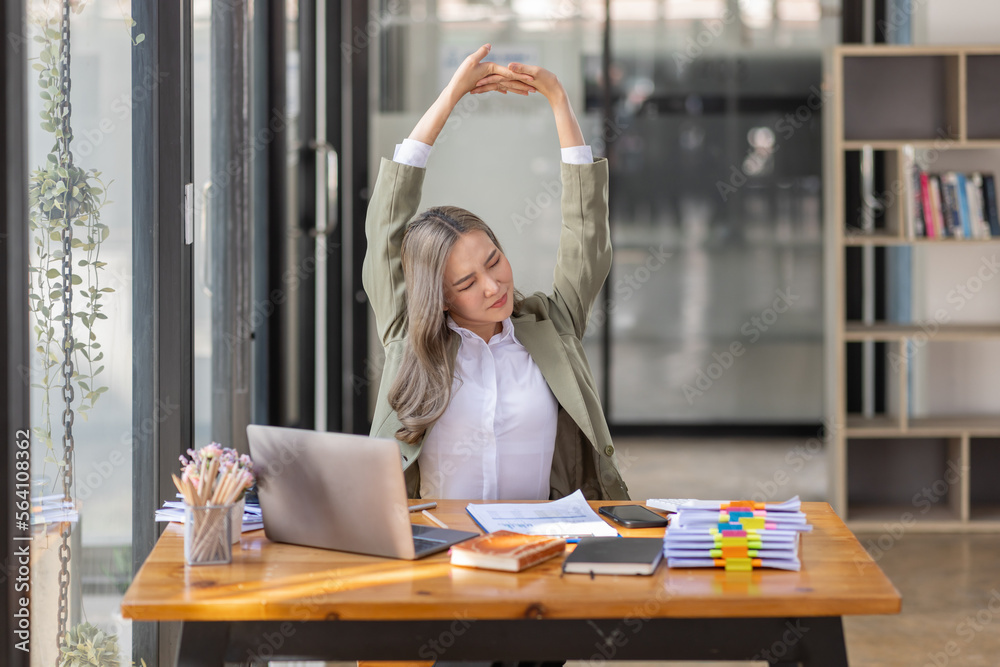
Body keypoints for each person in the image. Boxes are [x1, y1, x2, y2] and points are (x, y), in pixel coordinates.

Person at [362, 44, 629, 503]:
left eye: (493, 261)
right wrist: (449, 97)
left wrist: (558, 99)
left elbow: (585, 233)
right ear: (439, 296)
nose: (494, 286)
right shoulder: (409, 337)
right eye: (466, 283)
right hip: (441, 551)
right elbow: (386, 224)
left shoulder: (551, 326)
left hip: (541, 546)